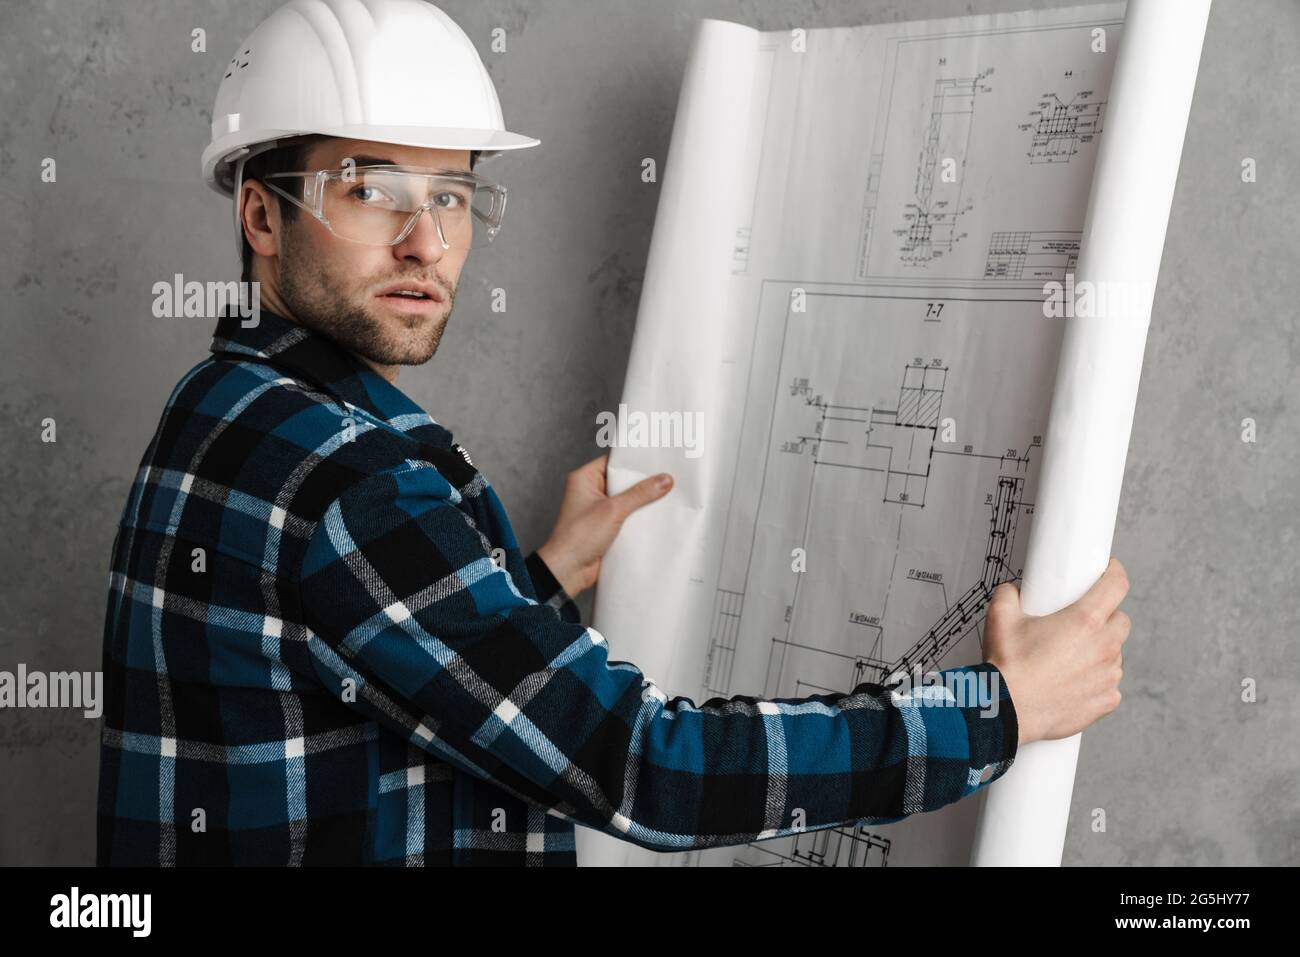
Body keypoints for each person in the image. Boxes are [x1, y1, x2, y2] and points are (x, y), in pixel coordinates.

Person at [96, 0, 1130, 866]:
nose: (426, 241)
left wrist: (536, 577)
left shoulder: (222, 404)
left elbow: (368, 672)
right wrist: (993, 712)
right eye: (368, 191)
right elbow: (640, 766)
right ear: (262, 216)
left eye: (451, 195)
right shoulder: (353, 483)